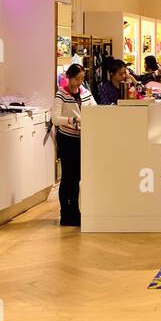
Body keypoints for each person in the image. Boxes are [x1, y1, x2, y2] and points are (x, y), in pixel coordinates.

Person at [52, 63, 88, 226]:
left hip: (81, 139)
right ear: (69, 78)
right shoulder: (61, 94)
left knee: (77, 176)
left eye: (81, 78)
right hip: (67, 139)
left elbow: (94, 108)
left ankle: (74, 211)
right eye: (76, 79)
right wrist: (72, 120)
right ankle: (66, 213)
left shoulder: (85, 93)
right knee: (68, 176)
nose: (79, 82)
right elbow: (55, 119)